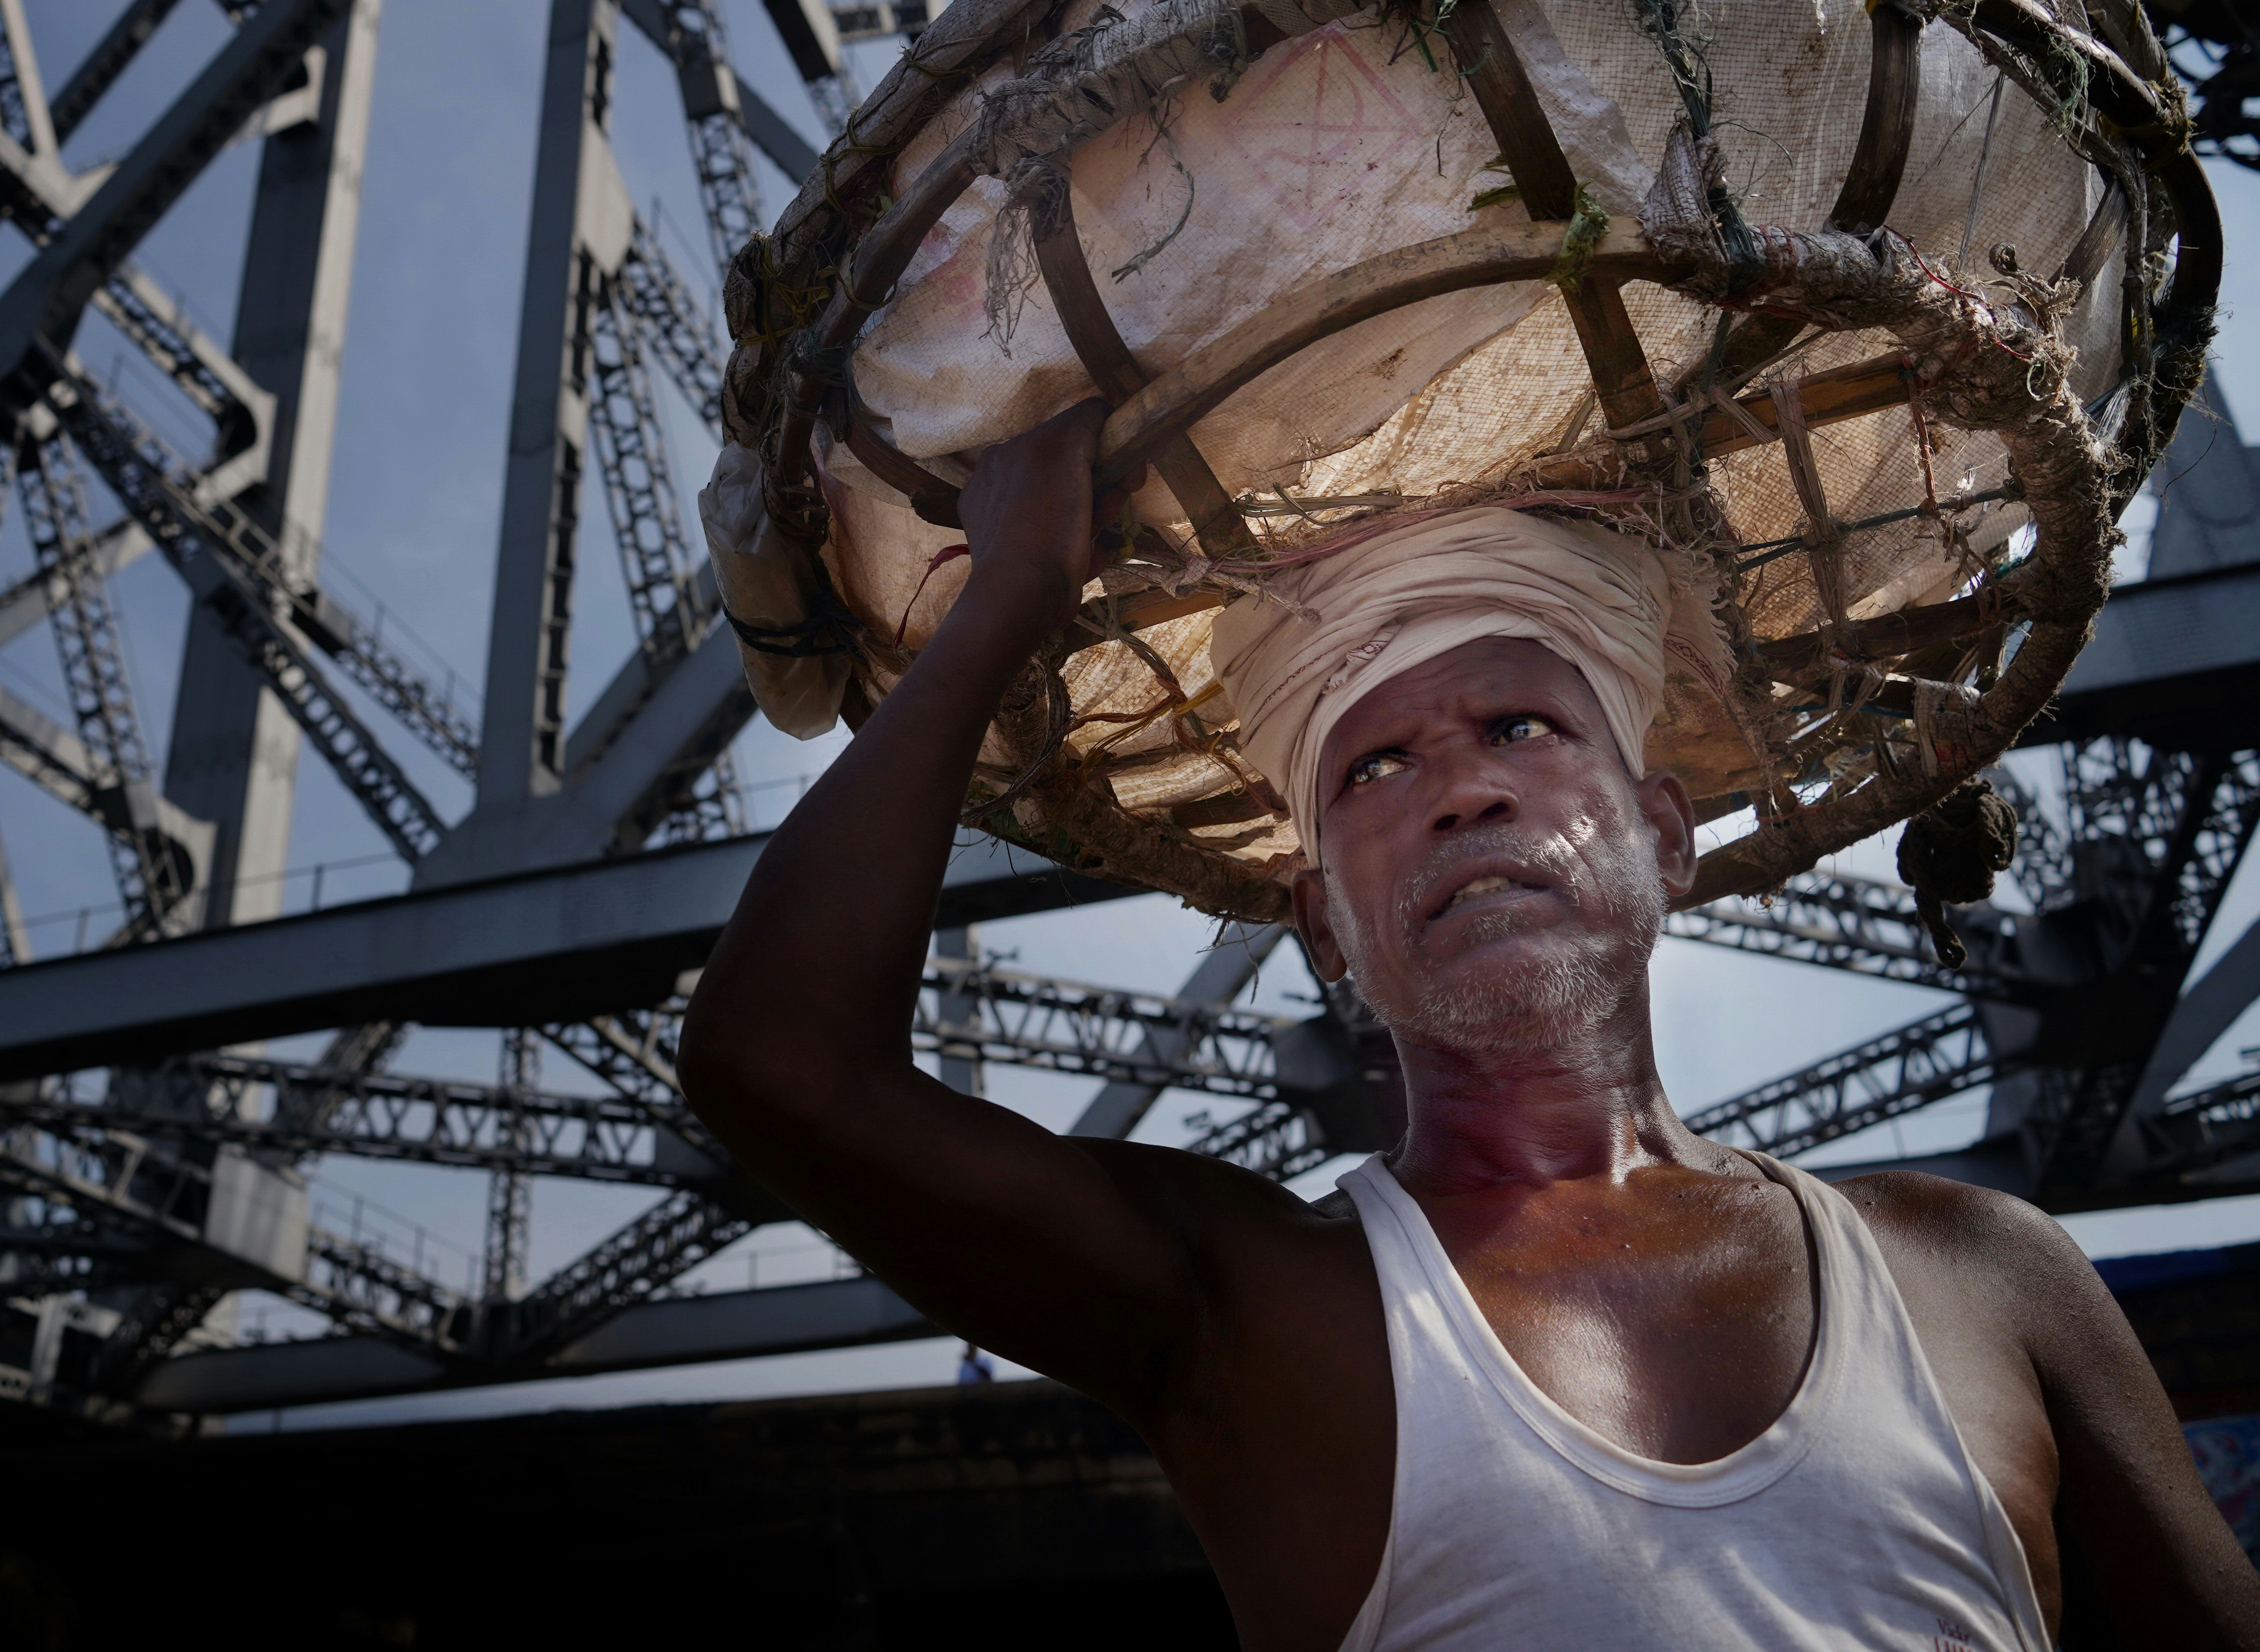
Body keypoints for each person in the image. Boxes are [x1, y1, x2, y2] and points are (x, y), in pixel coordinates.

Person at [679, 400, 2260, 1651]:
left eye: (1521, 726)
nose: (1463, 787)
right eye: (1374, 769)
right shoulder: (1255, 1310)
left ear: (1663, 832)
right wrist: (1004, 601)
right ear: (1320, 921)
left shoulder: (1985, 1274)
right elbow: (779, 1066)